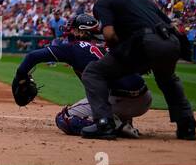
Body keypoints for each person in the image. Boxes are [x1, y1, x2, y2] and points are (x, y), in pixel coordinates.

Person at [80, 0, 196, 140]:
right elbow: (171, 25)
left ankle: (104, 124)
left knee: (93, 72)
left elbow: (109, 34)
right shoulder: (144, 0)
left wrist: (126, 54)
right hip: (171, 43)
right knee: (168, 79)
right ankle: (187, 125)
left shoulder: (104, 3)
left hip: (145, 43)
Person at [12, 13, 152, 138]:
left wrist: (20, 76)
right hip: (145, 99)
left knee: (64, 118)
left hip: (119, 100)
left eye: (73, 29)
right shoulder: (112, 43)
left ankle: (114, 125)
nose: (70, 33)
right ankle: (124, 121)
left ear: (81, 32)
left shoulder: (74, 47)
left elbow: (32, 56)